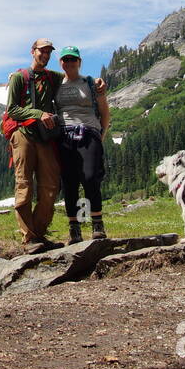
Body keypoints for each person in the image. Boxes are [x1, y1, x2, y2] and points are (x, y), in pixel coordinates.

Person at [3, 39, 105, 253]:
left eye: (49, 52)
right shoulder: (20, 78)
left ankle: (39, 234)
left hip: (45, 137)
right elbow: (12, 109)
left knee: (51, 186)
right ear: (33, 52)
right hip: (23, 133)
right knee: (24, 185)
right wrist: (38, 114)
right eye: (42, 51)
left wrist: (97, 82)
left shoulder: (53, 77)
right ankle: (29, 238)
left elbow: (74, 77)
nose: (45, 55)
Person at [55, 46, 110, 244]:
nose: (69, 62)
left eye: (73, 59)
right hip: (64, 136)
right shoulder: (56, 83)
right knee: (69, 182)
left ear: (79, 62)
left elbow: (104, 111)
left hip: (89, 132)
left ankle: (97, 224)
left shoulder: (90, 83)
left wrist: (100, 135)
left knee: (90, 177)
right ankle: (75, 229)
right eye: (65, 59)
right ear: (60, 62)